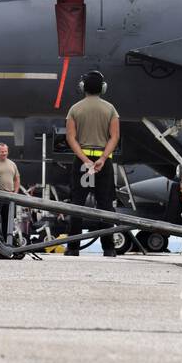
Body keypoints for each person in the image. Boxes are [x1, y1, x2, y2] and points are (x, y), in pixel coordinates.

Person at [65, 69, 121, 256]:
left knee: (77, 205)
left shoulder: (75, 109)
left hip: (83, 163)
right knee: (105, 205)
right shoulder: (110, 109)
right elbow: (115, 137)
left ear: (83, 87)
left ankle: (72, 248)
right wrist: (103, 158)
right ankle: (109, 248)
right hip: (103, 164)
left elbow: (71, 138)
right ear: (103, 88)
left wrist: (85, 159)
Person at [0, 142, 20, 242]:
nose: (4, 153)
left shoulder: (12, 164)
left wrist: (16, 192)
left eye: (5, 151)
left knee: (7, 221)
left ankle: (5, 241)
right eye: (2, 151)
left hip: (10, 196)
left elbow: (17, 179)